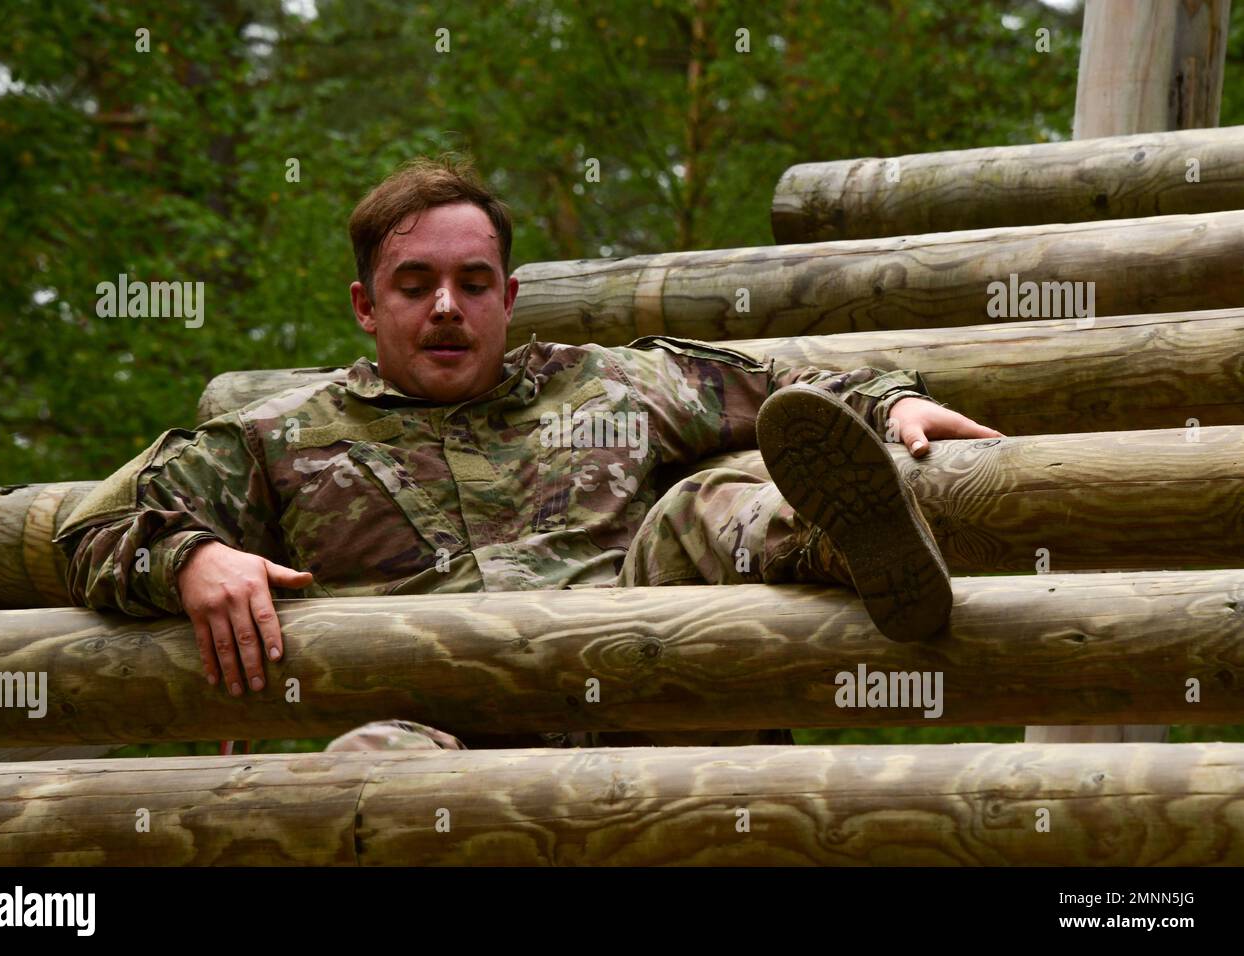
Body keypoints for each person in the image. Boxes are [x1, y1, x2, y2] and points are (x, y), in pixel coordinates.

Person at [53, 155, 1001, 751]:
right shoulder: (280, 434)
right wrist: (189, 557)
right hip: (427, 725)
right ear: (363, 305)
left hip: (647, 695)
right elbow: (91, 527)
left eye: (473, 283)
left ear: (509, 297)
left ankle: (844, 541)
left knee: (709, 496)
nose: (446, 309)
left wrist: (891, 400)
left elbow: (783, 386)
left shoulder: (609, 386)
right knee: (360, 778)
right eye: (414, 283)